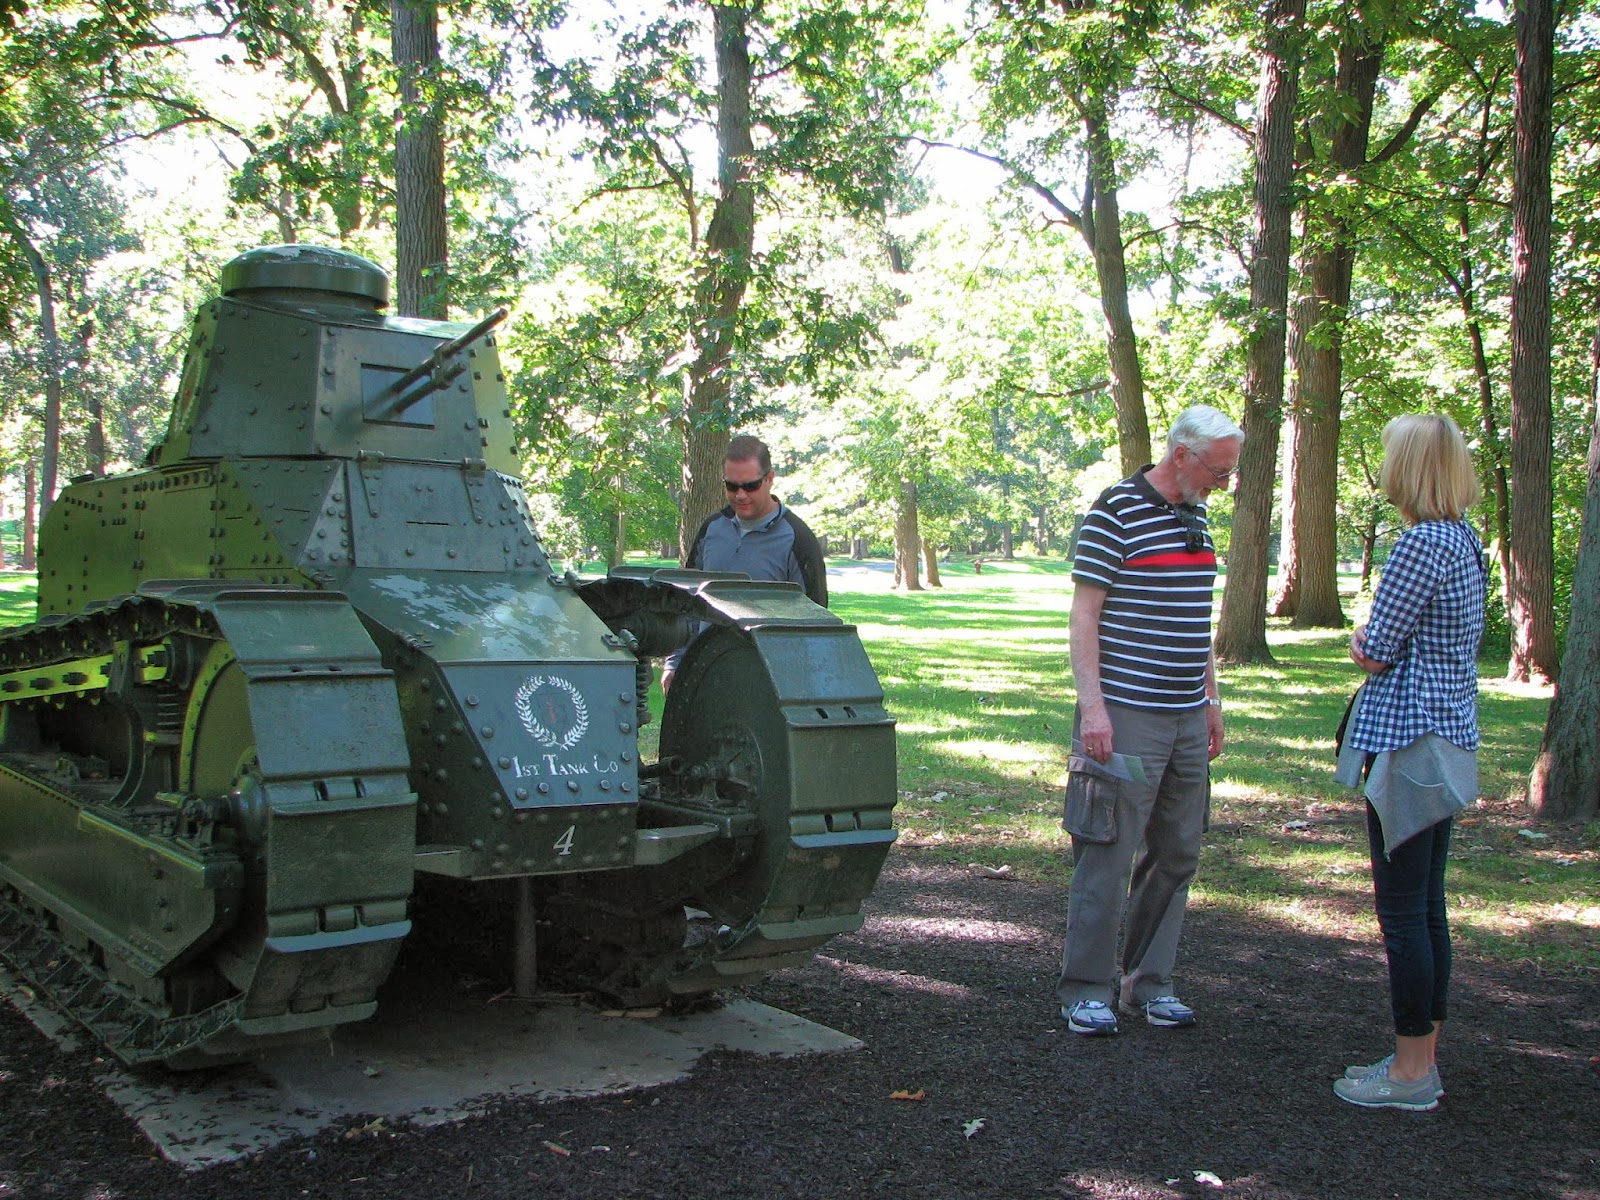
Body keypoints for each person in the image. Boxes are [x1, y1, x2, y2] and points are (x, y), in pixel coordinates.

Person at [1057, 405, 1243, 1037]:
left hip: (1188, 715)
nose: (1224, 481)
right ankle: (1086, 989)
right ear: (1182, 455)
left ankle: (1150, 983)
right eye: (1218, 469)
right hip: (1126, 716)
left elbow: (1199, 620)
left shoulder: (1198, 516)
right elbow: (1083, 619)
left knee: (1178, 852)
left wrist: (1211, 700)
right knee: (1106, 852)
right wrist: (1094, 710)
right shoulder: (1114, 513)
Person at [1331, 413, 1484, 1112]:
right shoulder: (1465, 540)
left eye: (1393, 455)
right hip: (1448, 739)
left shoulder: (1422, 542)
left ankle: (1410, 1074)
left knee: (1402, 911)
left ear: (1410, 467)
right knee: (1427, 906)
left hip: (1410, 744)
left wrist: (1366, 641)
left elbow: (1379, 644)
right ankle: (1422, 1057)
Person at [661, 434, 828, 692]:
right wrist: (673, 663)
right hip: (705, 673)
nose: (740, 495)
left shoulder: (797, 538)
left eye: (750, 486)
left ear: (769, 478)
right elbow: (686, 602)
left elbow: (815, 620)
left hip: (767, 680)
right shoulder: (712, 529)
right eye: (731, 486)